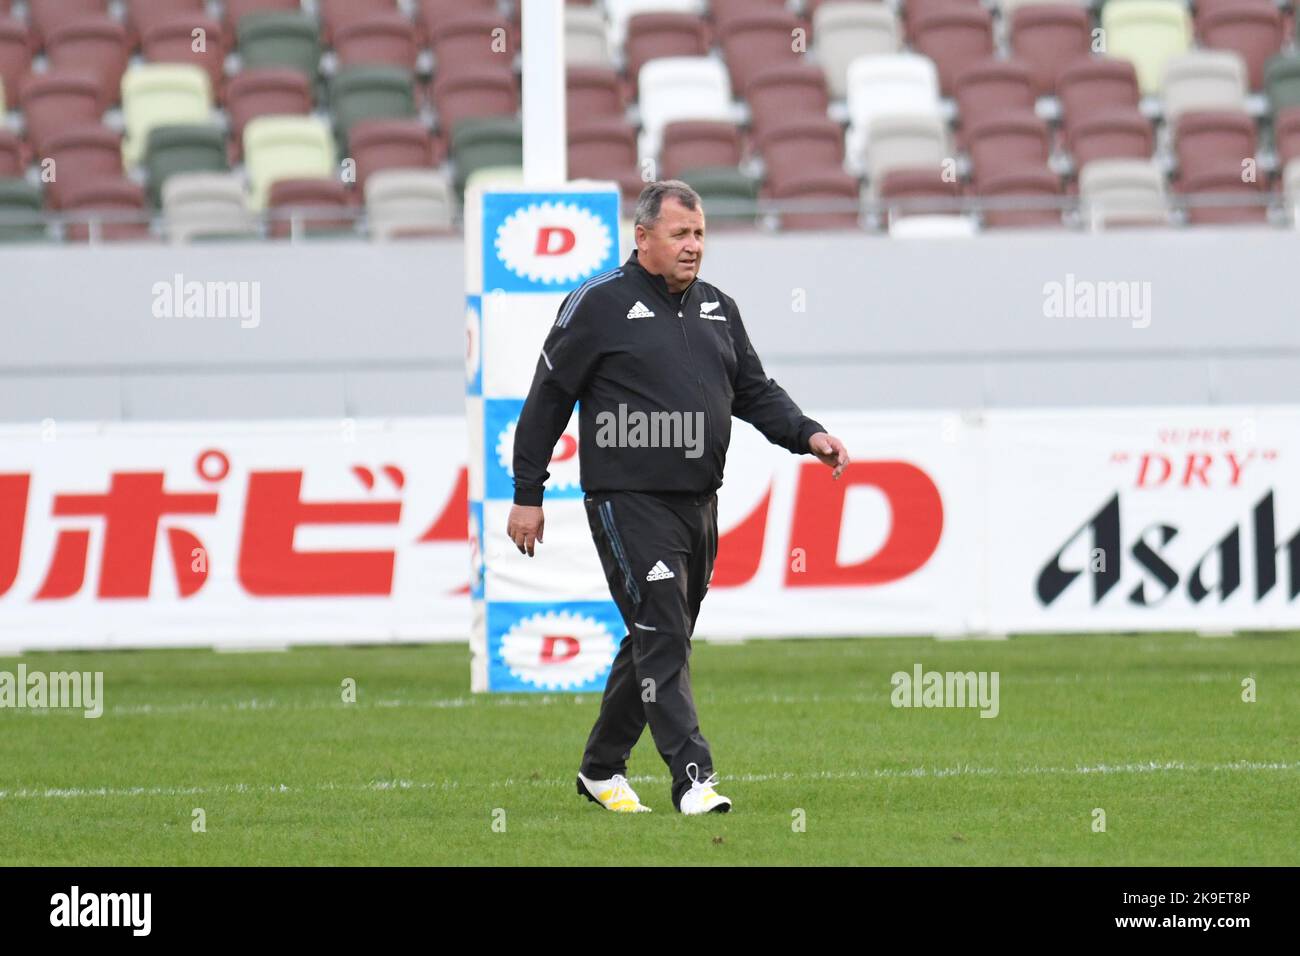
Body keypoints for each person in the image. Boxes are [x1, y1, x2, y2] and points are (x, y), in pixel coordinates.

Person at [506, 180, 850, 815]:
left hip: (698, 502)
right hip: (626, 497)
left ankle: (600, 770)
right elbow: (547, 397)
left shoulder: (719, 307)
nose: (693, 247)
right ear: (643, 239)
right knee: (661, 627)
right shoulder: (597, 304)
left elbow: (753, 389)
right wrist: (529, 492)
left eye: (699, 235)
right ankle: (694, 778)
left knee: (657, 637)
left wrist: (808, 433)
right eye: (680, 235)